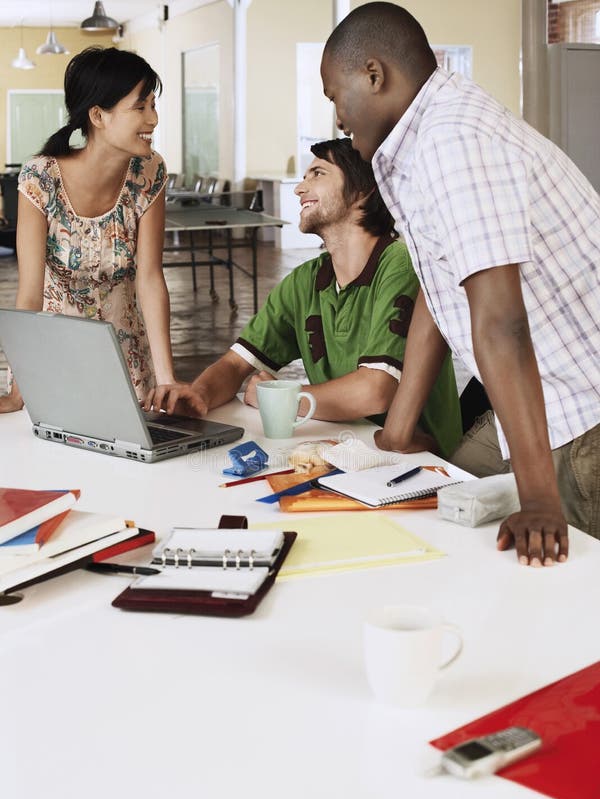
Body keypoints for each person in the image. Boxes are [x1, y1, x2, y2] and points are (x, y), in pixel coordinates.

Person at [321, 2, 600, 566]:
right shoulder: (424, 138)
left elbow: (502, 320)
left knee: (564, 603)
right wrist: (398, 430)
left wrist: (539, 498)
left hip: (584, 412)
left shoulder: (452, 139)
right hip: (544, 400)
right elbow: (440, 282)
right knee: (446, 520)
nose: (339, 120)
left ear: (374, 75)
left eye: (336, 96)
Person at [145, 138, 462, 458]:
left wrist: (282, 398)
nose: (299, 189)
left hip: (418, 464)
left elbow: (375, 391)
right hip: (348, 454)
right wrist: (199, 393)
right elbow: (235, 364)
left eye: (318, 174)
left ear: (363, 191)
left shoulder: (400, 264)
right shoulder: (305, 281)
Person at [0, 46, 175, 413]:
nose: (153, 119)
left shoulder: (149, 173)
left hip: (129, 363)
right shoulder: (41, 177)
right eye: (140, 107)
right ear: (98, 115)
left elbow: (150, 279)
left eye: (153, 105)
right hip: (55, 360)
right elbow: (30, 293)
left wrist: (167, 380)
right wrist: (20, 386)